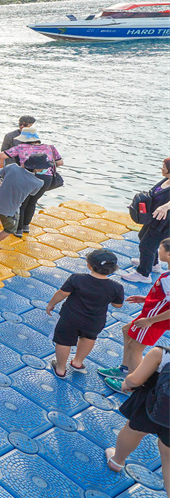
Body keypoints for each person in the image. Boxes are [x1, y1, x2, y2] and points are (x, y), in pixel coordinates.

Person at [45, 249, 124, 378]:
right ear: (113, 269)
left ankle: (60, 369)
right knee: (88, 339)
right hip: (95, 321)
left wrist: (51, 304)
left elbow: (62, 293)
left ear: (89, 265)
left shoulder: (77, 278)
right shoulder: (116, 287)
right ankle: (77, 362)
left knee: (63, 342)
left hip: (70, 318)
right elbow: (117, 305)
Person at [102, 344, 170, 495]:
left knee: (133, 431)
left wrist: (127, 383)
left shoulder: (161, 354)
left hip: (150, 406)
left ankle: (117, 460)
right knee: (168, 456)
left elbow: (135, 380)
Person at [100, 238, 170, 382]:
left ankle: (134, 384)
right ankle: (125, 370)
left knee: (135, 347)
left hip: (154, 320)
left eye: (160, 249)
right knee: (127, 330)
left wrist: (149, 321)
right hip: (153, 315)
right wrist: (147, 299)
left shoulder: (168, 278)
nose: (158, 251)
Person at [0, 129, 63, 236]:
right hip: (46, 178)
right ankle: (26, 227)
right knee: (32, 202)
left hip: (28, 175)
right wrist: (43, 167)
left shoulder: (21, 148)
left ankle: (18, 230)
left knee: (21, 203)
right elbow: (60, 162)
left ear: (24, 139)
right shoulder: (50, 147)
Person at [123, 158, 170, 284]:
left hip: (164, 223)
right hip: (153, 218)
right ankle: (153, 264)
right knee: (142, 236)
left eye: (164, 166)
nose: (162, 169)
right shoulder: (166, 180)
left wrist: (166, 206)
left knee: (146, 246)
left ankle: (143, 274)